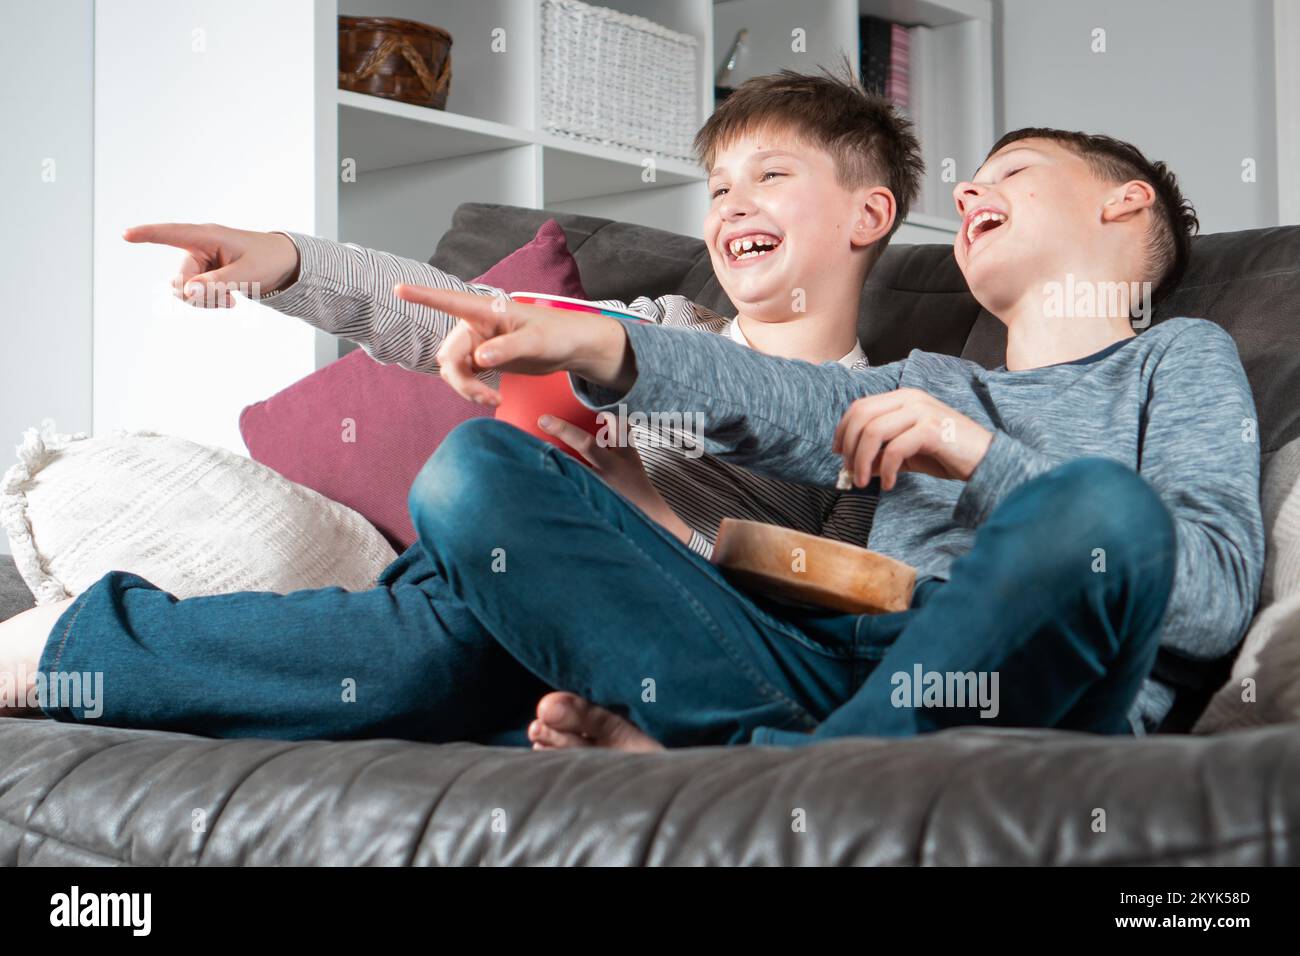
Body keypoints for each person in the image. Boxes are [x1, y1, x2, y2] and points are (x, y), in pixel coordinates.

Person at [0, 70, 922, 743]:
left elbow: (849, 608)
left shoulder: (884, 414)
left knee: (452, 676)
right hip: (494, 571)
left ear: (867, 215)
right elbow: (446, 309)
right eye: (718, 188)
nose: (730, 206)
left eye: (769, 177)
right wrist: (284, 260)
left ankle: (88, 651)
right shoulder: (656, 326)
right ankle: (63, 649)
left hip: (646, 630)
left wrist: (657, 516)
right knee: (436, 649)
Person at [407, 128, 1265, 749]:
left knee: (1098, 508)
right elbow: (775, 402)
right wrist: (594, 342)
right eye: (969, 185)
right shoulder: (924, 378)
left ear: (1126, 201)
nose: (966, 193)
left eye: (1011, 170)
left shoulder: (1179, 355)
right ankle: (785, 770)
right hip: (817, 656)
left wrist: (976, 455)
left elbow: (1214, 596)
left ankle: (773, 776)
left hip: (1007, 684)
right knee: (473, 474)